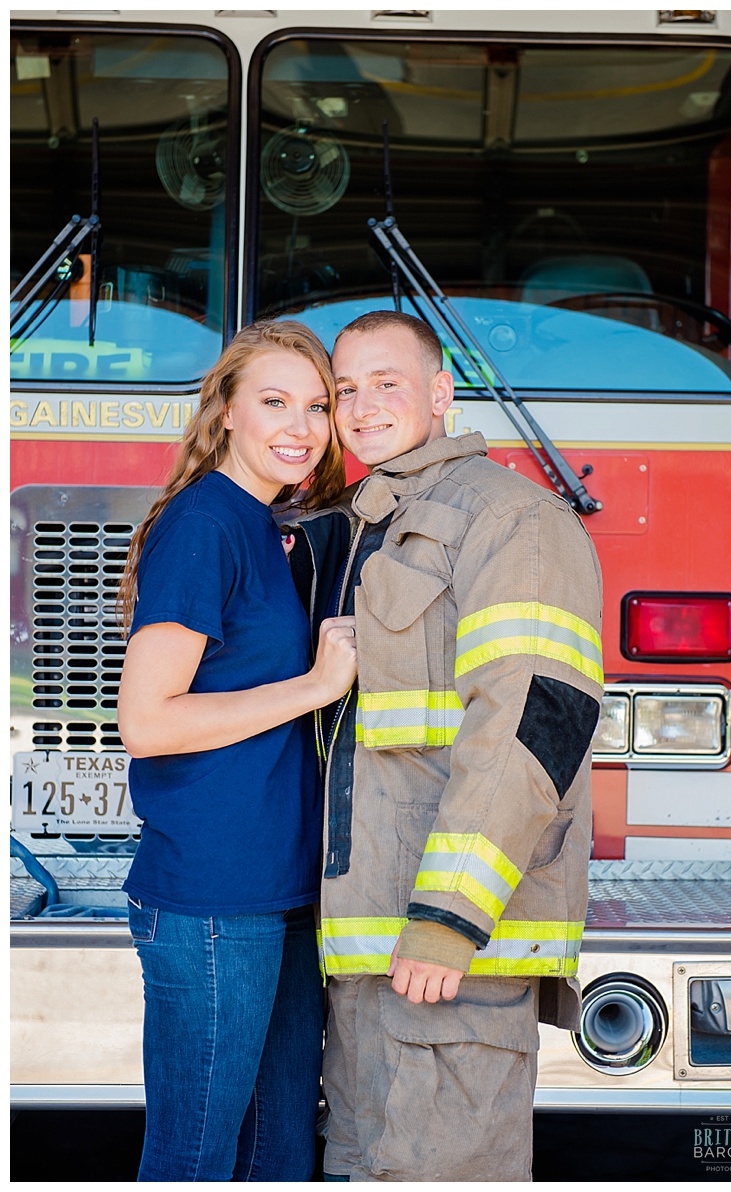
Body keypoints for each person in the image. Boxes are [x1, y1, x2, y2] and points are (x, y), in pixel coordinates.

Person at [286, 310, 604, 1182]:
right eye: (345, 390)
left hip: (451, 957)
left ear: (440, 392)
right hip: (368, 960)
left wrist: (450, 916)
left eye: (386, 383)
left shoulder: (512, 519)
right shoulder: (367, 523)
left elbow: (535, 724)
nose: (361, 407)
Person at [116, 320, 358, 1183]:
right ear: (225, 411)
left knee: (278, 1156)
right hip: (213, 901)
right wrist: (315, 685)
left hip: (280, 894)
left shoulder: (264, 523)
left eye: (318, 406)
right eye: (274, 402)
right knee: (194, 1160)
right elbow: (147, 722)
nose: (301, 426)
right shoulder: (206, 525)